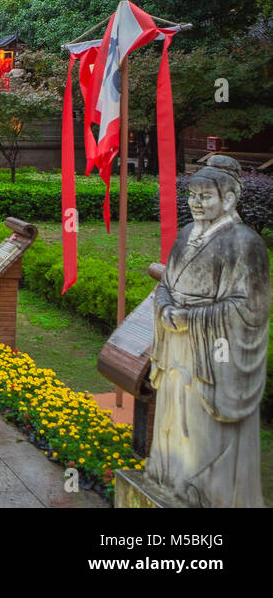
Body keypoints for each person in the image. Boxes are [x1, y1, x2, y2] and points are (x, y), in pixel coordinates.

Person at [145, 156, 269, 507]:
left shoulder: (245, 243)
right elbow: (167, 283)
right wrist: (167, 305)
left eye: (205, 196)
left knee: (201, 429)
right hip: (177, 347)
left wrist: (191, 319)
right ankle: (169, 476)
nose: (196, 204)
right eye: (192, 196)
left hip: (212, 355)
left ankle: (204, 491)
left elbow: (248, 308)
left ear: (229, 199)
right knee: (174, 418)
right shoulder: (186, 234)